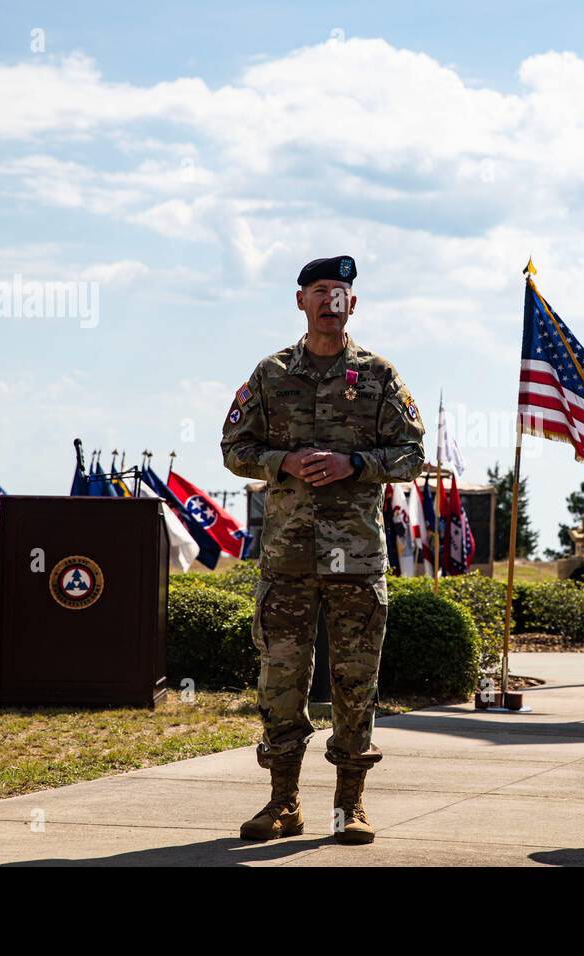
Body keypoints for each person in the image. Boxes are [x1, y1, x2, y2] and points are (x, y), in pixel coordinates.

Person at [220, 254, 425, 845]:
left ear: (353, 305)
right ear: (301, 301)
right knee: (280, 680)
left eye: (340, 293)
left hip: (355, 558)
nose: (330, 301)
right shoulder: (271, 373)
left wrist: (355, 463)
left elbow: (411, 452)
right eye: (320, 291)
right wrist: (280, 460)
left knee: (355, 680)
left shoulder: (379, 375)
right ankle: (283, 802)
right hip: (287, 557)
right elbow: (234, 445)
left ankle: (350, 807)